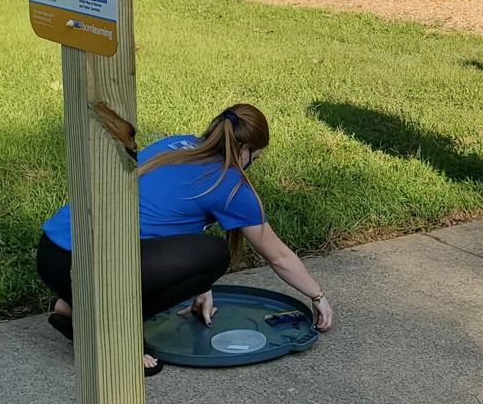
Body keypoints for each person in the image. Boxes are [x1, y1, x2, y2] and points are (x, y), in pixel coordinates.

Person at [37, 102, 333, 376]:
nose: (251, 164)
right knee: (216, 253)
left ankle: (73, 306)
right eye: (254, 157)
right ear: (244, 149)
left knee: (198, 259)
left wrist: (198, 285)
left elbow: (169, 217)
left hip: (53, 257)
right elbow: (278, 256)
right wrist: (317, 296)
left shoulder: (178, 144)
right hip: (92, 267)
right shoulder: (230, 186)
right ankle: (116, 342)